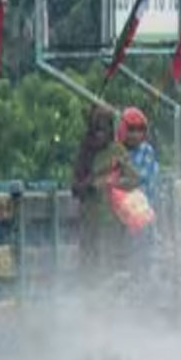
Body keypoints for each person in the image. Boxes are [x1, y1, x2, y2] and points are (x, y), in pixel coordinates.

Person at [71, 105, 141, 285]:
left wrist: (111, 183)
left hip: (112, 223)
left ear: (111, 130)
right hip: (89, 223)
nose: (99, 134)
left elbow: (133, 179)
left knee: (111, 271)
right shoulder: (85, 152)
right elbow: (75, 187)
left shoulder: (116, 151)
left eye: (104, 129)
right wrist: (89, 185)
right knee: (89, 270)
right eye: (96, 129)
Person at [118, 107, 159, 211]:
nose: (135, 134)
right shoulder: (117, 151)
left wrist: (120, 183)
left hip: (143, 205)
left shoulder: (146, 150)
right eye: (131, 129)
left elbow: (140, 179)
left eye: (140, 130)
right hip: (120, 206)